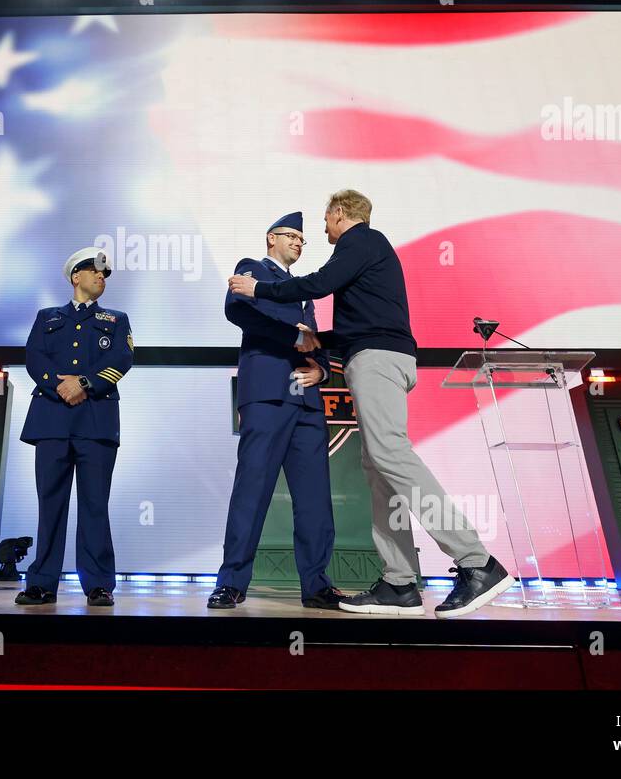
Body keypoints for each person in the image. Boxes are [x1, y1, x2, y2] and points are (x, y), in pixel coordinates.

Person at [228, 191, 514, 618]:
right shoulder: (366, 251)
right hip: (372, 356)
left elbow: (318, 284)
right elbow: (352, 328)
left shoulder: (361, 241)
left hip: (378, 361)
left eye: (324, 220)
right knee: (378, 467)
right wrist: (317, 346)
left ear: (341, 214)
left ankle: (476, 562)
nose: (319, 231)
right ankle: (399, 582)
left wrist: (260, 288)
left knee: (391, 456)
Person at [210, 212, 346, 611]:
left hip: (305, 399)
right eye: (292, 236)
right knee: (252, 490)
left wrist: (320, 368)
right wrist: (293, 336)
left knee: (315, 498)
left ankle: (316, 583)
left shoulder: (304, 291)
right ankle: (232, 582)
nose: (299, 243)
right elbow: (239, 310)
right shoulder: (253, 270)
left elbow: (314, 342)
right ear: (271, 238)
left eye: (303, 239)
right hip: (268, 392)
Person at [15, 248, 132, 608]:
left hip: (95, 420)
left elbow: (122, 358)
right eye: (95, 272)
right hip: (51, 418)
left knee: (95, 504)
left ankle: (98, 583)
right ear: (75, 277)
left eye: (105, 274)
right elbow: (35, 356)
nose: (102, 278)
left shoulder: (117, 319)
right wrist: (58, 384)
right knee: (50, 503)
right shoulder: (46, 316)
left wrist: (83, 382)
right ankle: (41, 582)